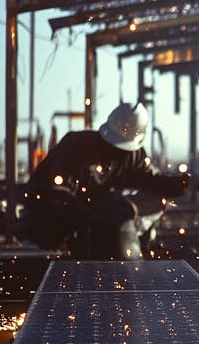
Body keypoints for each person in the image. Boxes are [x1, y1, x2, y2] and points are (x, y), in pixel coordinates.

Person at [21, 101, 189, 259]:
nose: (118, 151)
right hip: (52, 218)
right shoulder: (75, 146)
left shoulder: (133, 154)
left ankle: (126, 237)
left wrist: (170, 184)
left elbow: (147, 178)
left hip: (100, 215)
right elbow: (56, 195)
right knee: (61, 223)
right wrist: (89, 214)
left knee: (155, 200)